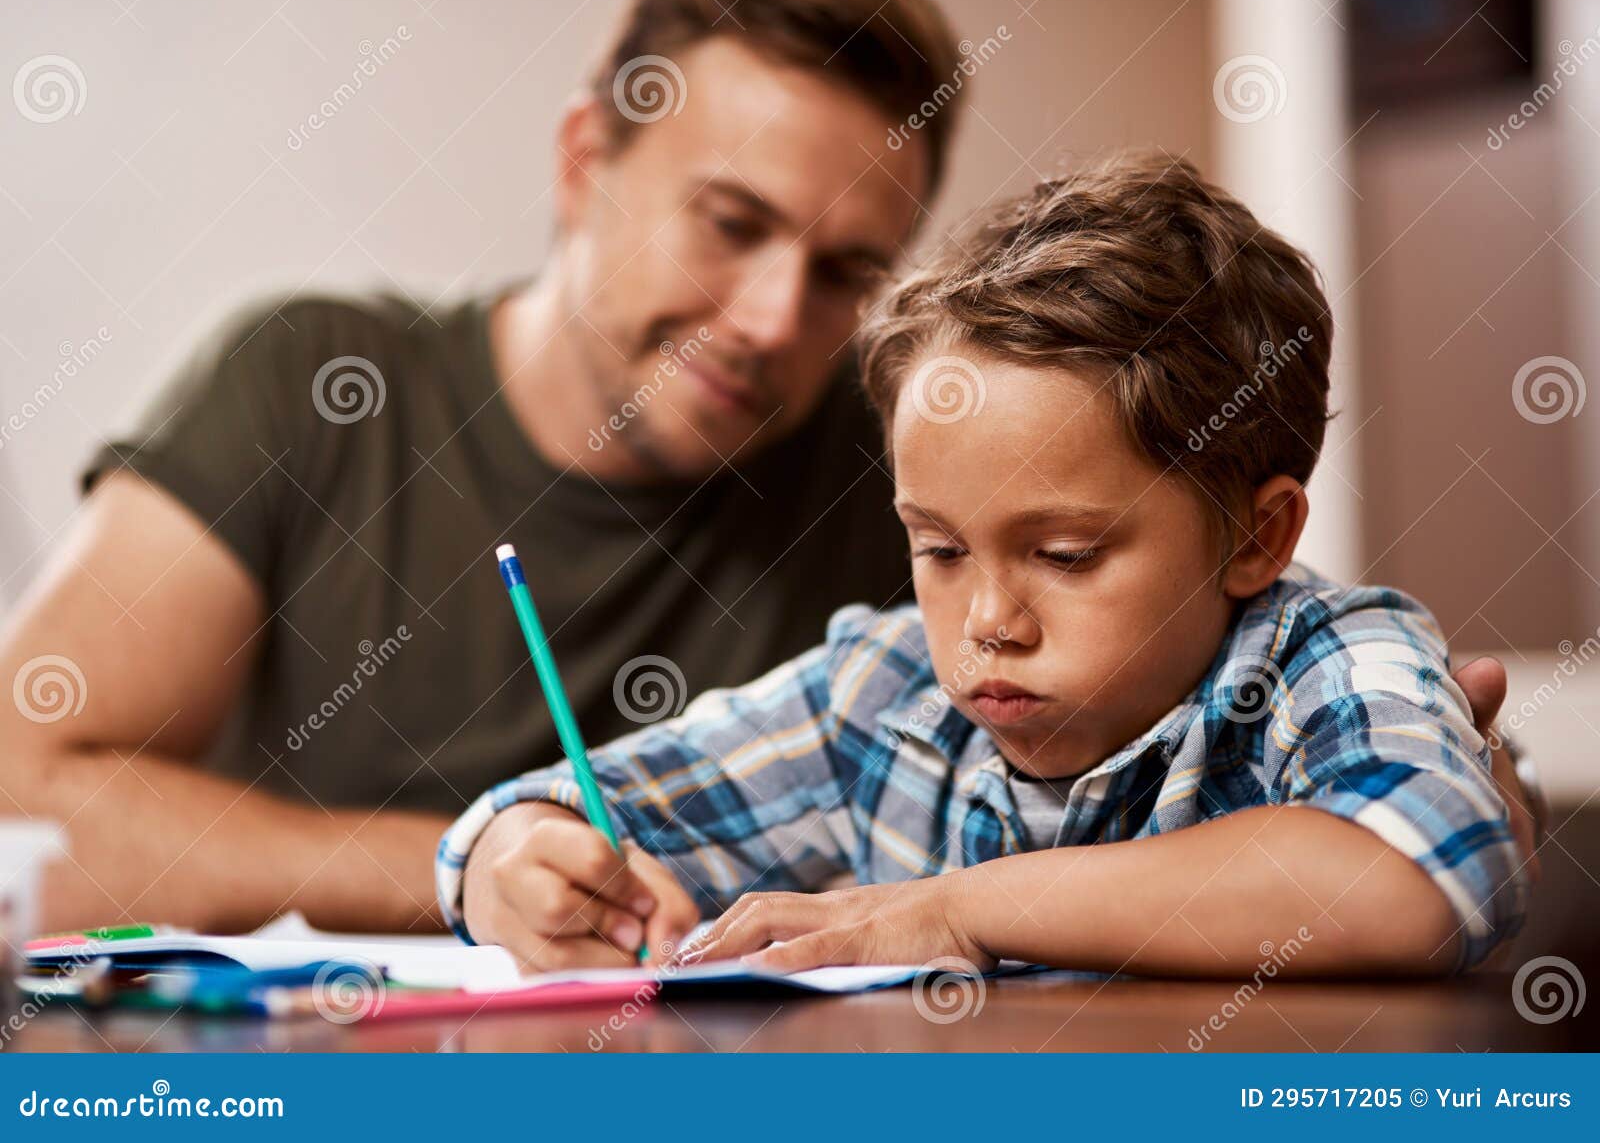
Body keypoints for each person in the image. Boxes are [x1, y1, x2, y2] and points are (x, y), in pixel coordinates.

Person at [0, 0, 964, 933]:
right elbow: (22, 794)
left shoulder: (899, 473)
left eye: (847, 275)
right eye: (732, 224)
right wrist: (487, 868)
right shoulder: (318, 385)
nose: (772, 319)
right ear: (584, 160)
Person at [442, 155, 1532, 977]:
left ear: (1256, 537)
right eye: (939, 549)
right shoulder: (880, 696)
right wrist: (517, 859)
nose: (986, 624)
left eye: (1064, 554)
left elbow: (1414, 871)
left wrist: (951, 908)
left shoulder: (1326, 657)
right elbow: (559, 815)